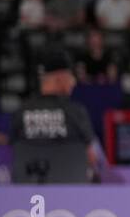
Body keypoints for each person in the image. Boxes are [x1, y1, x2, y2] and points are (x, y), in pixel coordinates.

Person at [9, 47, 101, 182]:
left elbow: (13, 153)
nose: (73, 82)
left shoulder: (20, 112)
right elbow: (93, 158)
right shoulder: (75, 112)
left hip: (29, 198)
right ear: (60, 78)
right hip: (70, 196)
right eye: (71, 76)